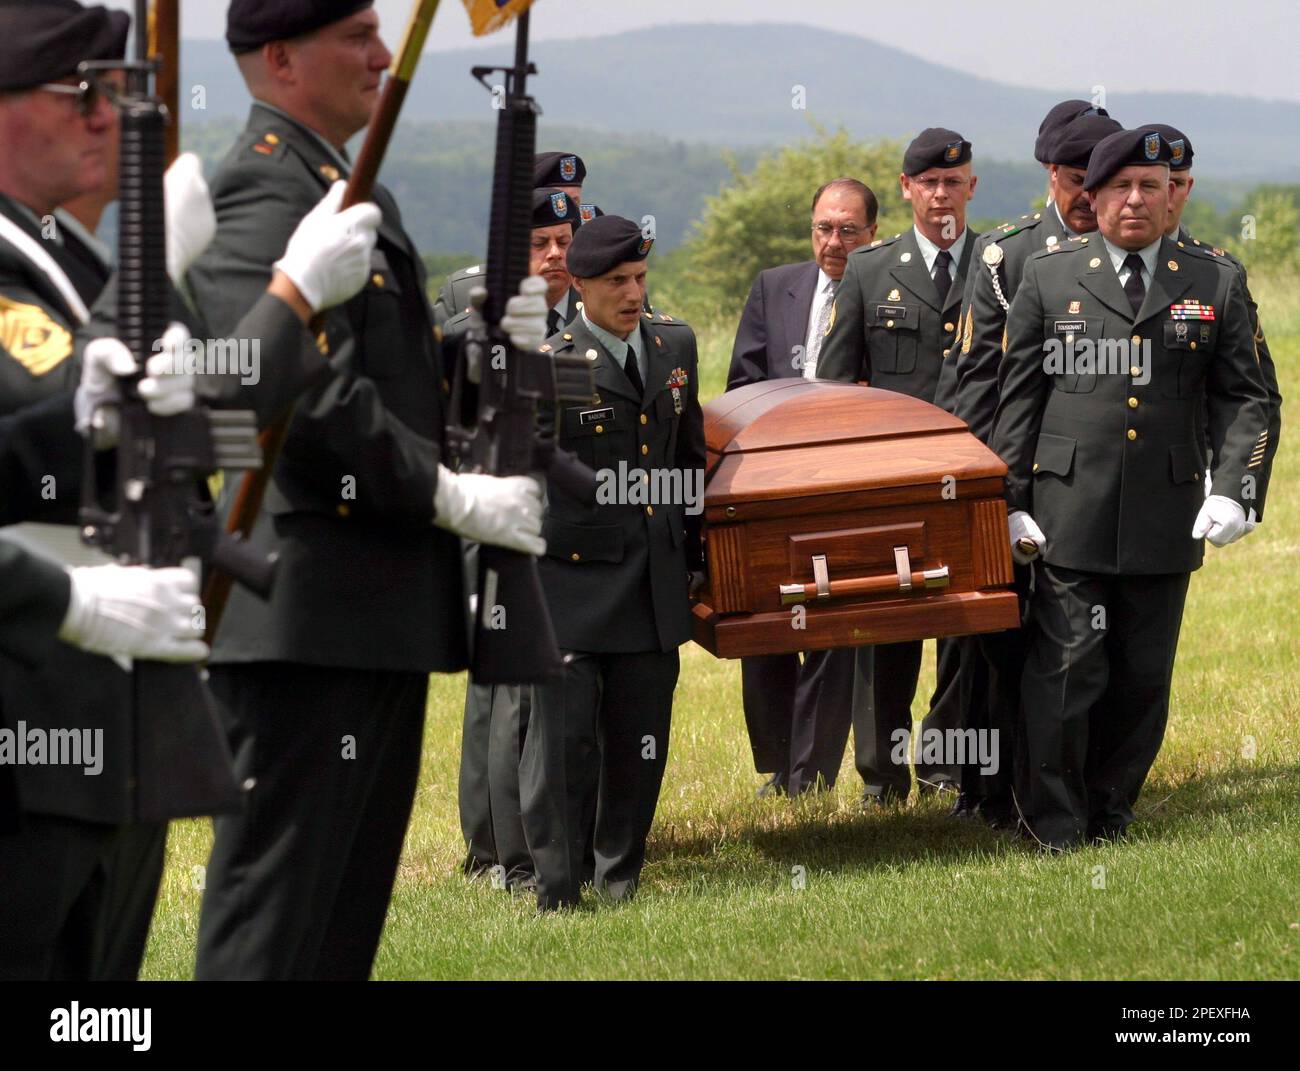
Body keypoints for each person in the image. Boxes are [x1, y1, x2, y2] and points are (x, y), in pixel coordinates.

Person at [0, 0, 391, 981]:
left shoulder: (75, 264)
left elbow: (201, 412)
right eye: (81, 95)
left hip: (120, 715)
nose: (107, 117)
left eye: (115, 93)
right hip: (35, 714)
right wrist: (288, 296)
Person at [185, 0, 547, 979]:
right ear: (279, 57)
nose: (382, 57)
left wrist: (476, 347)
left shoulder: (328, 182)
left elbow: (386, 377)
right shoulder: (264, 190)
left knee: (336, 933)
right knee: (275, 926)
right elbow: (298, 398)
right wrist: (444, 495)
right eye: (355, 37)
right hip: (306, 617)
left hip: (365, 613)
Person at [989, 127, 1272, 850]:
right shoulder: (1049, 276)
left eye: (1152, 185)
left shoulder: (1214, 279)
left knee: (1143, 677)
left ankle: (1110, 810)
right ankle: (1051, 824)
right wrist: (1011, 502)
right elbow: (1017, 400)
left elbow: (1249, 397)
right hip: (1066, 510)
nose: (1136, 200)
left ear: (1172, 194)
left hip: (1165, 511)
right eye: (1120, 187)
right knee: (1067, 668)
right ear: (1093, 195)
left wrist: (1236, 487)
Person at [519, 215, 705, 910]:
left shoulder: (674, 342)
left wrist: (700, 558)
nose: (632, 294)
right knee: (565, 747)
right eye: (617, 282)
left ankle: (620, 876)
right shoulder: (550, 361)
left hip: (653, 580)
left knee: (640, 738)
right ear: (581, 286)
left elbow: (689, 460)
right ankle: (559, 889)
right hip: (571, 578)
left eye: (639, 279)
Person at [949, 110, 1121, 827]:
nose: (1091, 195)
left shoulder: (1127, 248)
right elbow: (974, 385)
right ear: (1051, 173)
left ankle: (1072, 784)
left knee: (1085, 647)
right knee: (999, 643)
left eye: (1101, 181)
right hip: (1012, 479)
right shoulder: (1006, 257)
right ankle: (987, 787)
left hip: (1093, 484)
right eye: (1081, 181)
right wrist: (992, 490)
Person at [817, 128, 978, 807]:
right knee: (886, 636)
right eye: (928, 182)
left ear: (973, 186)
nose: (941, 193)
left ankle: (949, 764)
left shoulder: (1004, 265)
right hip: (892, 487)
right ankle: (884, 778)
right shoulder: (869, 270)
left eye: (954, 180)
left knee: (968, 629)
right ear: (908, 188)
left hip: (973, 481)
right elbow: (833, 388)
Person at [447, 186, 583, 892]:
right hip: (490, 513)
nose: (558, 254)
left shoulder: (584, 311)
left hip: (562, 525)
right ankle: (499, 851)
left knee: (539, 691)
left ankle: (538, 840)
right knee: (500, 693)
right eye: (541, 242)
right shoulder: (473, 307)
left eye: (567, 237)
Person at [725, 177, 878, 796]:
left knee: (832, 626)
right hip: (773, 481)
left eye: (848, 230)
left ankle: (809, 776)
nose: (834, 242)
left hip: (848, 485)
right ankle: (776, 762)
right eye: (823, 228)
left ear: (872, 233)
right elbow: (742, 380)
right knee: (765, 622)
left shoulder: (883, 285)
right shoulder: (774, 286)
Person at [1141, 122, 1281, 526]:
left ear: (1189, 187)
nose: (1165, 197)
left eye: (1177, 184)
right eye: (1156, 183)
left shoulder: (1219, 273)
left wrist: (1240, 491)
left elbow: (1258, 392)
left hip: (1189, 464)